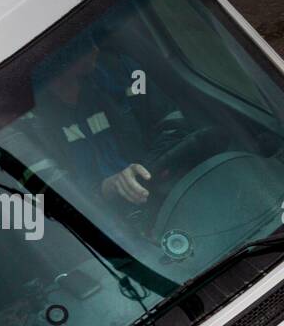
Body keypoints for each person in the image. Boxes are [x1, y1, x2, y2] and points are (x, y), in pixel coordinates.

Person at [31, 32, 181, 206]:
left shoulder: (122, 72)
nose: (95, 49)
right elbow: (57, 194)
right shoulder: (32, 122)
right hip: (106, 221)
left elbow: (172, 123)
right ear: (54, 58)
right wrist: (109, 187)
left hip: (164, 188)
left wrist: (142, 171)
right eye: (82, 45)